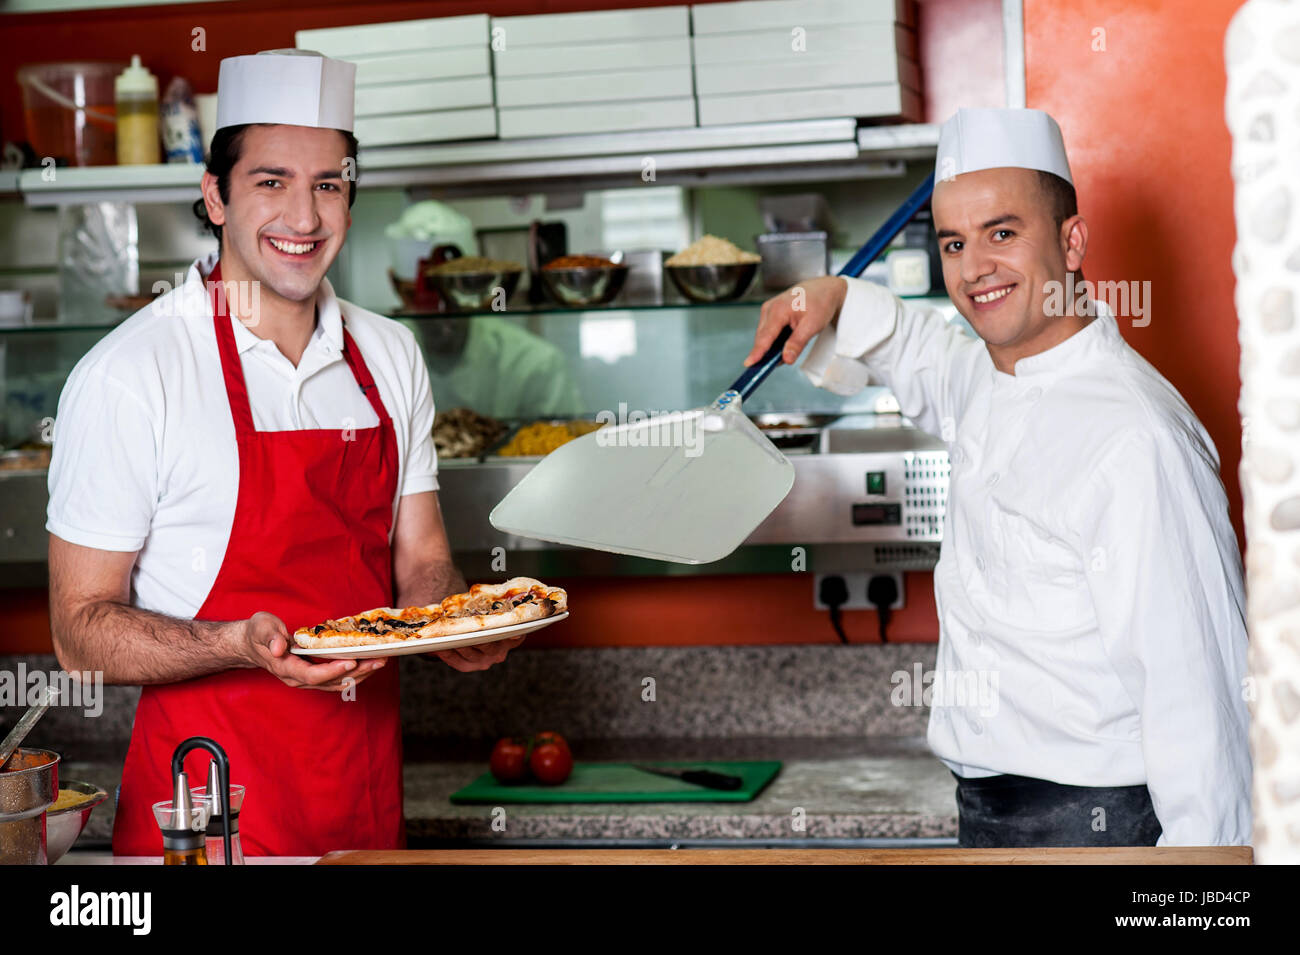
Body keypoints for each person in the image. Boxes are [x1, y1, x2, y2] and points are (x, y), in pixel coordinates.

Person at [45, 49, 521, 857]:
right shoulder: (133, 371)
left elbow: (423, 562)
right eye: (271, 181)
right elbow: (79, 632)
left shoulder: (390, 354)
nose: (304, 217)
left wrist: (454, 620)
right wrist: (235, 644)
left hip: (363, 805)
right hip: (204, 817)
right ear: (215, 195)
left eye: (329, 184)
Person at [747, 107, 1252, 847]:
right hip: (985, 814)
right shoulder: (987, 378)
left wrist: (1200, 899)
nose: (974, 267)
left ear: (1072, 242)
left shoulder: (1135, 436)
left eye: (1003, 233)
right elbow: (917, 347)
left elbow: (1201, 706)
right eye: (954, 242)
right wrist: (832, 294)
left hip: (1103, 827)